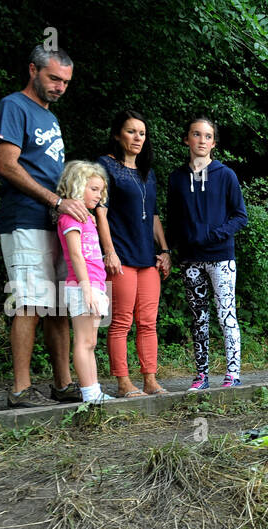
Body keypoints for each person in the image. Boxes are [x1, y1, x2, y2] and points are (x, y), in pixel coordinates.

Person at [0, 46, 85, 408]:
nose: (60, 87)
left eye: (66, 82)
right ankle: (20, 389)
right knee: (29, 303)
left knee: (59, 305)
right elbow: (7, 165)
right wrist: (54, 200)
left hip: (54, 222)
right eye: (54, 79)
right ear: (32, 69)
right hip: (25, 218)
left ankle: (62, 384)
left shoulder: (50, 117)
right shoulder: (14, 106)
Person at [167, 117, 248, 390]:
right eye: (196, 134)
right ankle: (201, 375)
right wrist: (177, 246)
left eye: (208, 136)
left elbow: (240, 217)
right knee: (198, 318)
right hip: (190, 259)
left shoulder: (226, 175)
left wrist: (213, 235)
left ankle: (232, 374)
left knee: (227, 314)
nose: (202, 140)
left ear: (214, 142)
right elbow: (174, 219)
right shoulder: (176, 179)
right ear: (186, 139)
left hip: (221, 258)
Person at [96, 109, 172, 398]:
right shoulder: (105, 166)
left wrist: (164, 250)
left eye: (141, 132)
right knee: (121, 322)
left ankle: (150, 380)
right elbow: (100, 213)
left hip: (147, 258)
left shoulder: (147, 173)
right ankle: (124, 383)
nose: (137, 137)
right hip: (122, 257)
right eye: (131, 131)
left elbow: (152, 215)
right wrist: (109, 252)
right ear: (117, 135)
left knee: (148, 322)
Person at [55, 161, 112, 403]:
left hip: (95, 285)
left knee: (91, 342)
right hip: (82, 286)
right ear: (78, 187)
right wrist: (86, 287)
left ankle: (94, 391)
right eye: (94, 189)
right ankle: (90, 393)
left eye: (101, 191)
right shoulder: (70, 218)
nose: (99, 196)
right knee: (84, 340)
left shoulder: (88, 219)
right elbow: (76, 255)